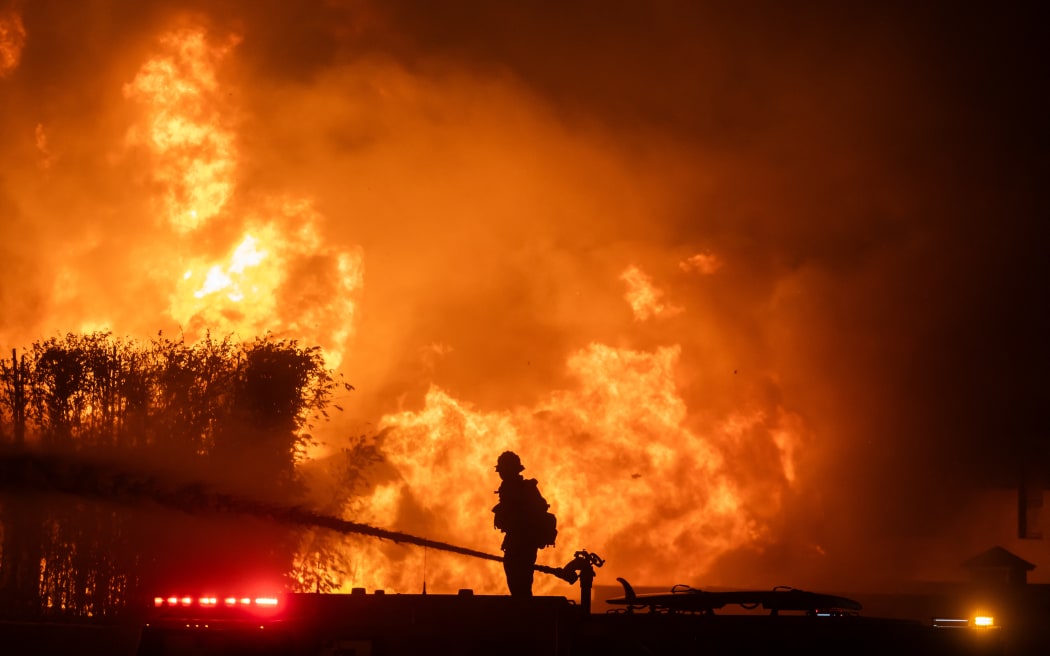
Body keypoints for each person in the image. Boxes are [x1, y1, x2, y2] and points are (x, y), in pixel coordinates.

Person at [491, 450, 555, 596]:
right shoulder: (510, 488)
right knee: (516, 581)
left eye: (503, 470)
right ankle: (522, 606)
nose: (501, 474)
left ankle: (523, 610)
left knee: (521, 583)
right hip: (515, 541)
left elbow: (533, 513)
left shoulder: (524, 489)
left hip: (523, 543)